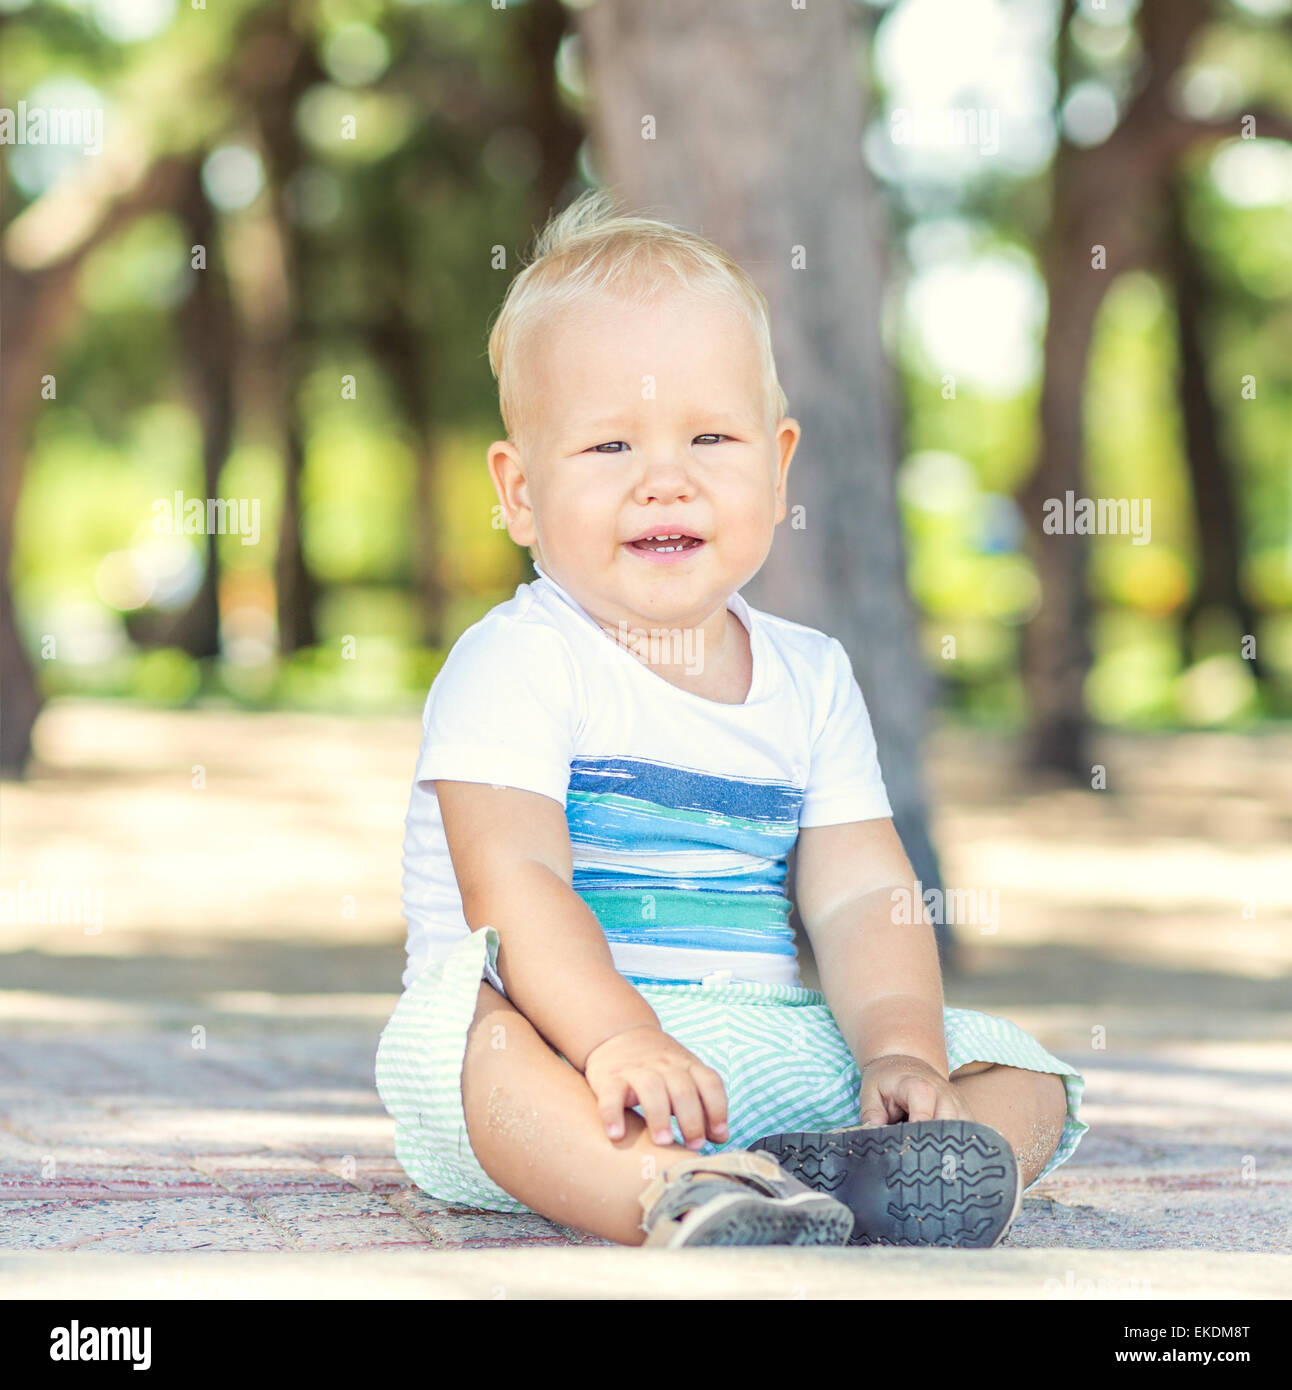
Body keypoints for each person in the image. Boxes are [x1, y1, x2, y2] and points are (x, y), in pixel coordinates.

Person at [375, 189, 1087, 1248]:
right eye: (609, 448)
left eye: (709, 436)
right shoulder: (516, 661)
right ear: (518, 492)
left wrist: (900, 1048)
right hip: (565, 1052)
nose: (666, 480)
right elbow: (514, 883)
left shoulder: (808, 675)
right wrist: (620, 1036)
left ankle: (833, 1173)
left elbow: (858, 893)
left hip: (753, 1050)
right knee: (474, 1047)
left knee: (1021, 1076)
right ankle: (668, 1190)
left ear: (779, 462)